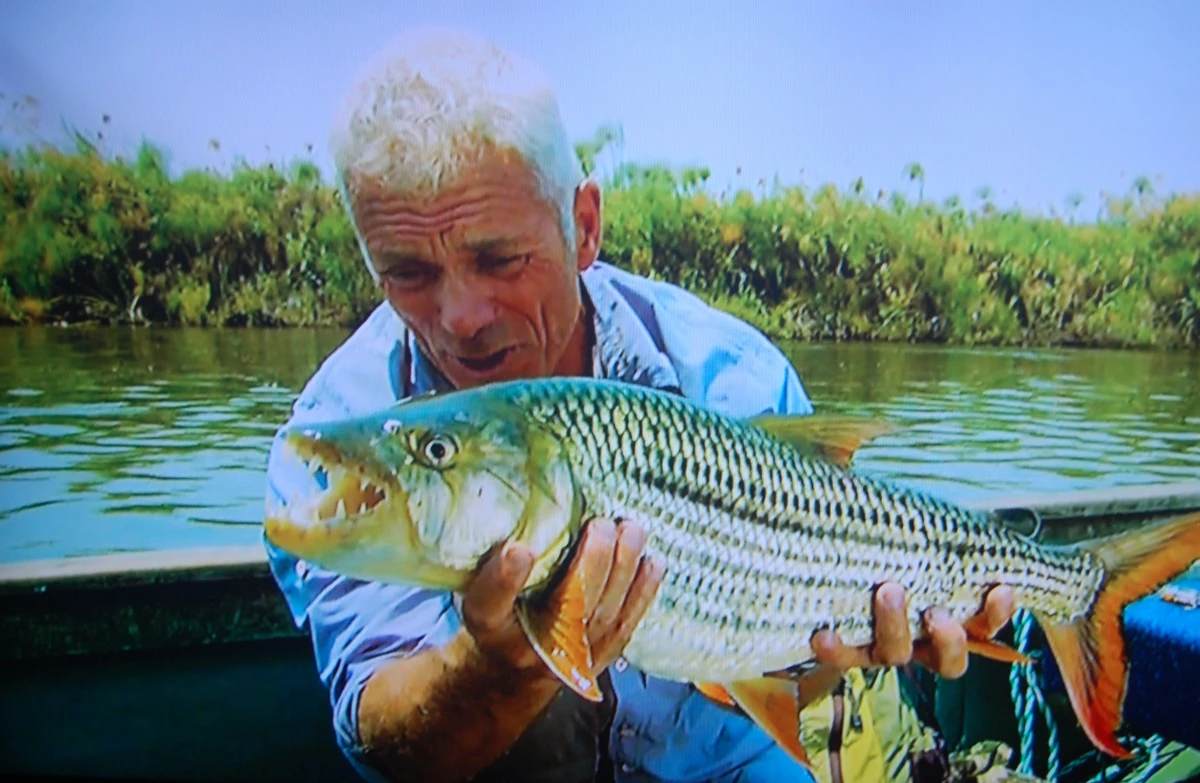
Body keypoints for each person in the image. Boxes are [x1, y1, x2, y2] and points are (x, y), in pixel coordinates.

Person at [262, 26, 1015, 783]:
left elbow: (799, 679)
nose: (459, 314)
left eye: (500, 258)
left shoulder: (737, 381)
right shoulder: (343, 444)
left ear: (583, 225)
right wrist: (503, 667)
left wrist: (849, 649)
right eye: (408, 272)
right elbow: (384, 735)